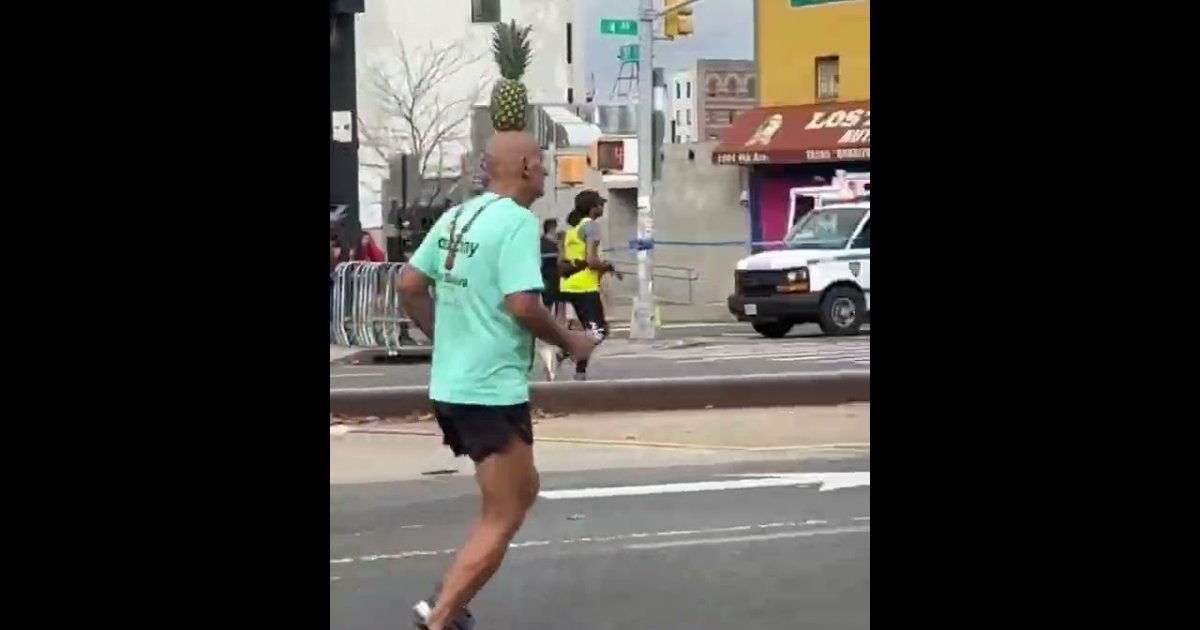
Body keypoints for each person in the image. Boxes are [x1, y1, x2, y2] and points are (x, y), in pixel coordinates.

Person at [398, 131, 598, 630]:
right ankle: (441, 615)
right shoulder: (515, 224)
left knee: (522, 488)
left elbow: (409, 282)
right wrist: (572, 341)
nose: (548, 172)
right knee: (503, 514)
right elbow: (523, 305)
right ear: (527, 166)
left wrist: (444, 338)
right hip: (488, 391)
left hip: (453, 386)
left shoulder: (459, 215)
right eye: (544, 163)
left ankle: (448, 602)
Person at [559, 189, 619, 381]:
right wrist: (606, 266)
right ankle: (564, 353)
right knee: (598, 332)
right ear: (592, 208)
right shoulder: (591, 227)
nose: (603, 207)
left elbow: (562, 260)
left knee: (591, 330)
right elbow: (591, 260)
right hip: (584, 286)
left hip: (569, 285)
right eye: (600, 204)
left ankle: (580, 371)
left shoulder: (571, 231)